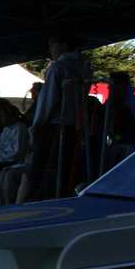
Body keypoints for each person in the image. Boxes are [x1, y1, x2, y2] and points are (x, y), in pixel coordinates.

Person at [24, 29, 91, 201]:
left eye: (52, 45)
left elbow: (47, 102)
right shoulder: (84, 66)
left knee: (39, 174)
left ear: (63, 45)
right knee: (66, 173)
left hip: (54, 128)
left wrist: (36, 127)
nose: (50, 50)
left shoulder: (58, 67)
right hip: (74, 128)